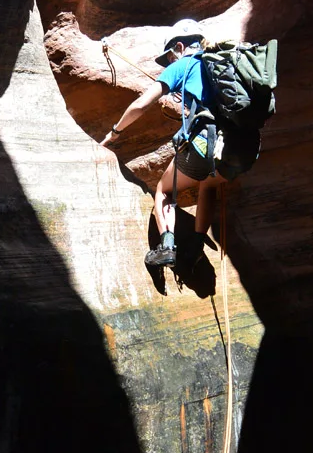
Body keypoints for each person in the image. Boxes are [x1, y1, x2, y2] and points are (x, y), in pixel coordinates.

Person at [100, 19, 259, 268]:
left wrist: (115, 132)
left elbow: (141, 104)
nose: (170, 62)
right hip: (243, 147)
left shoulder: (182, 65)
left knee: (163, 190)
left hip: (207, 144)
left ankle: (166, 248)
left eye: (170, 56)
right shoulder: (223, 64)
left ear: (180, 46)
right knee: (207, 186)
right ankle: (195, 247)